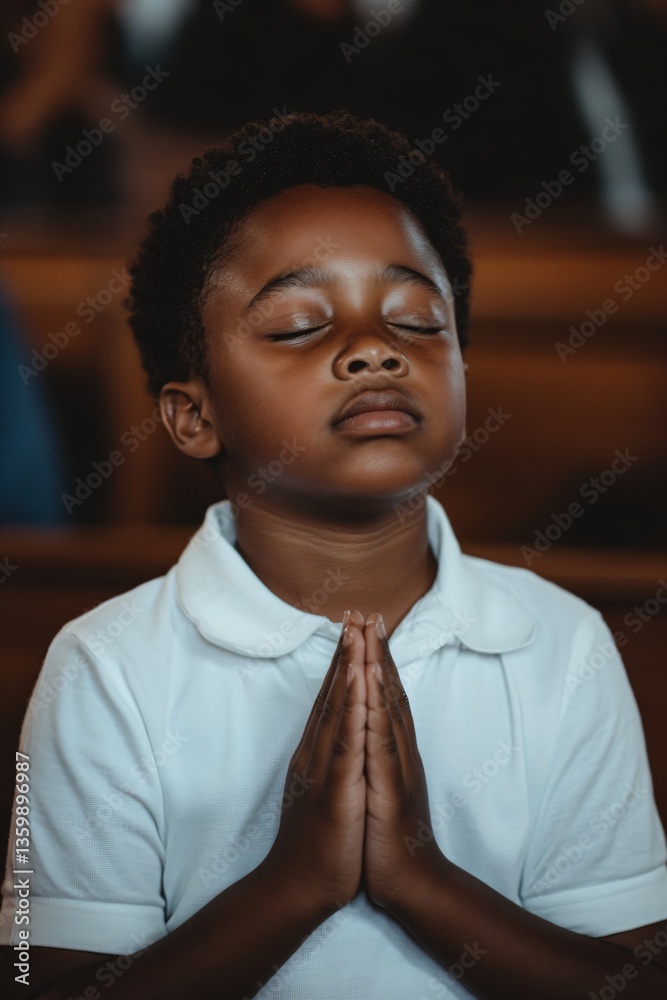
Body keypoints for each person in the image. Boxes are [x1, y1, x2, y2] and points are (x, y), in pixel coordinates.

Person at [1, 110, 666, 1000]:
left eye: (418, 321)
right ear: (193, 416)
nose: (372, 351)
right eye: (299, 326)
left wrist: (420, 879)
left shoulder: (560, 643)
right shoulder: (103, 665)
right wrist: (295, 884)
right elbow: (33, 982)